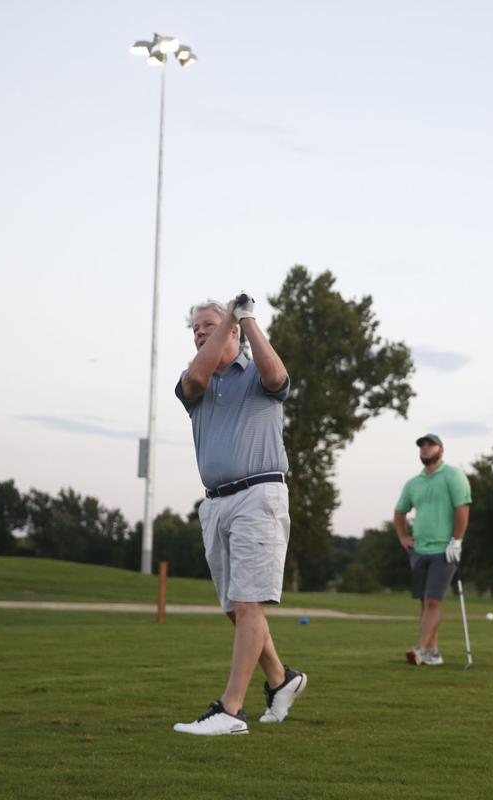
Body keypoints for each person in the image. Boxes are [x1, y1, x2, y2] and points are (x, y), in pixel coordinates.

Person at [171, 295, 307, 736]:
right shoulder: (194, 381)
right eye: (195, 328)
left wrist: (245, 319)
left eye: (208, 325)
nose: (199, 332)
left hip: (258, 495)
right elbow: (197, 376)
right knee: (235, 607)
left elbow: (277, 377)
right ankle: (281, 679)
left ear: (233, 329)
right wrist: (229, 316)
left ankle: (230, 711)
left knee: (249, 603)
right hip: (215, 503)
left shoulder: (257, 373)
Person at [393, 433, 472, 666]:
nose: (425, 448)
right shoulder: (413, 483)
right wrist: (402, 536)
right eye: (422, 446)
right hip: (419, 550)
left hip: (444, 550)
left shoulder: (453, 476)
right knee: (425, 603)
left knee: (433, 602)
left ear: (441, 450)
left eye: (430, 445)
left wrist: (457, 540)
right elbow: (399, 511)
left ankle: (420, 649)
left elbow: (462, 509)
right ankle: (433, 652)